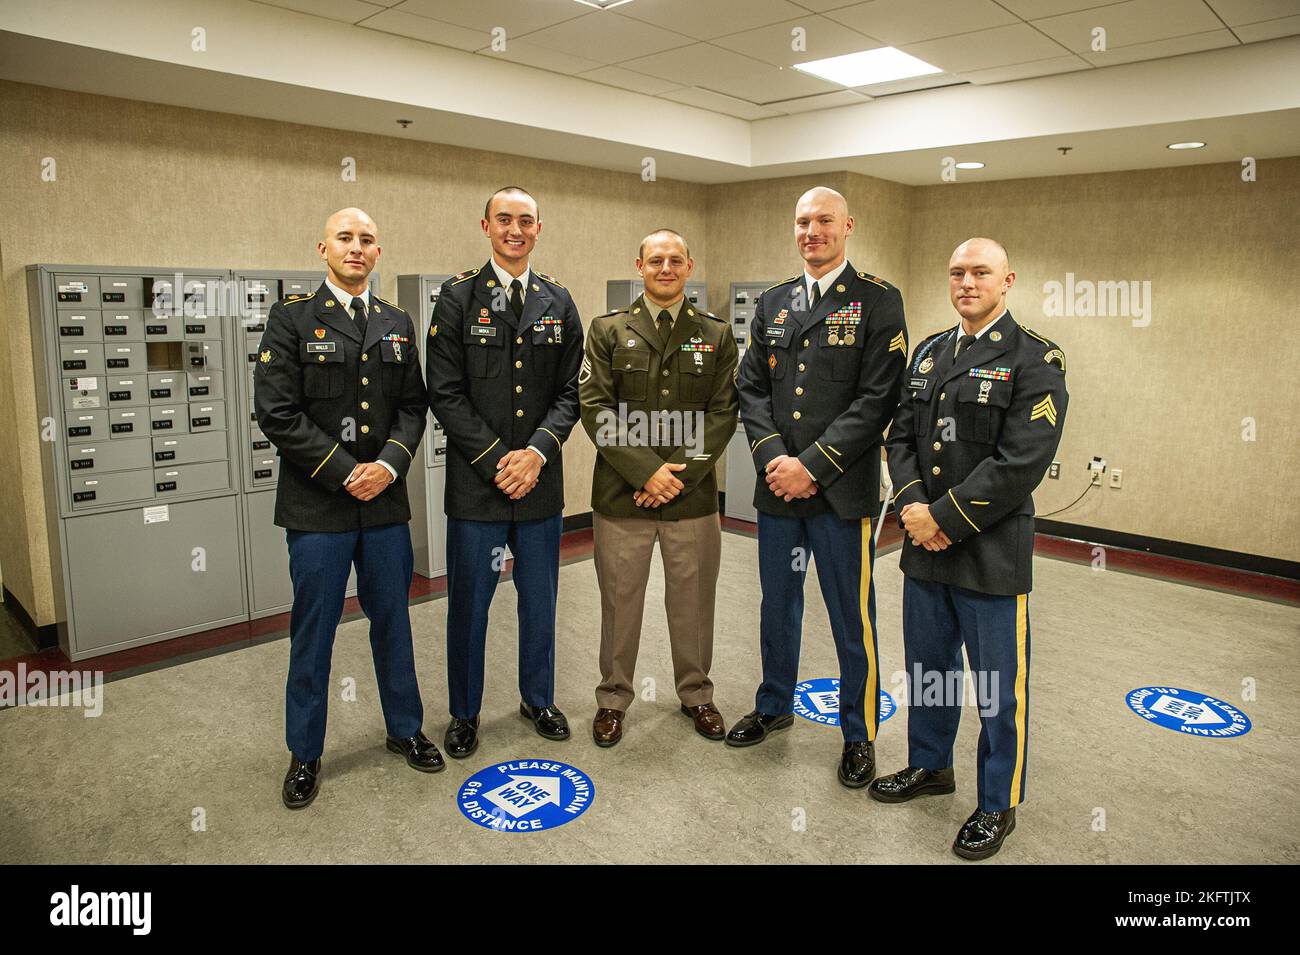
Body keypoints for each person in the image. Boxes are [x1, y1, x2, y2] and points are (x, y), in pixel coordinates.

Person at [873, 237, 1068, 861]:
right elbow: (901, 434)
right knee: (930, 672)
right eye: (956, 272)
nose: (966, 282)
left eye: (980, 272)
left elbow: (1019, 464)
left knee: (996, 688)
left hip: (989, 551)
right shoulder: (930, 353)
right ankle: (931, 766)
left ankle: (996, 801)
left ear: (1007, 280)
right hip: (925, 547)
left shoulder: (1035, 359)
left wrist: (940, 519)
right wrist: (911, 508)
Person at [255, 207, 440, 810]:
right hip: (317, 508)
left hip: (384, 504)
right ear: (322, 248)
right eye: (345, 238)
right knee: (314, 632)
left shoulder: (396, 321)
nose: (356, 248)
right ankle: (305, 752)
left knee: (394, 621)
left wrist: (387, 464)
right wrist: (343, 471)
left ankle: (405, 728)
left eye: (367, 241)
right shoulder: (292, 319)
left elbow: (414, 404)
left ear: (378, 254)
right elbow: (277, 413)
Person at [731, 187, 908, 788]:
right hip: (778, 488)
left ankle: (858, 734)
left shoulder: (879, 300)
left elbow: (877, 398)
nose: (812, 232)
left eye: (824, 221)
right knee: (776, 605)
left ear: (848, 226)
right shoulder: (773, 302)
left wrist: (814, 463)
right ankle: (774, 703)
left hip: (840, 492)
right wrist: (775, 458)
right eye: (803, 222)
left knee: (850, 617)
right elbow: (750, 389)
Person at [425, 186, 584, 758]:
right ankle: (464, 713)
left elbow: (571, 393)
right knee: (470, 604)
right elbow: (444, 393)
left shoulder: (558, 301)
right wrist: (498, 461)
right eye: (504, 220)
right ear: (486, 226)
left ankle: (537, 699)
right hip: (478, 486)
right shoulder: (457, 297)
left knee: (539, 600)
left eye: (526, 221)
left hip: (539, 484)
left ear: (539, 228)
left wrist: (536, 453)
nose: (515, 230)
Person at [578, 229, 738, 747]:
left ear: (689, 266)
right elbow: (595, 408)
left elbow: (722, 414)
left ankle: (696, 694)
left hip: (690, 498)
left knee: (693, 601)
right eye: (655, 260)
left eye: (674, 260)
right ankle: (613, 698)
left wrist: (676, 475)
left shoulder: (714, 334)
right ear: (639, 266)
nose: (665, 268)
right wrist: (646, 471)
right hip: (622, 496)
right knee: (620, 601)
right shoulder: (607, 330)